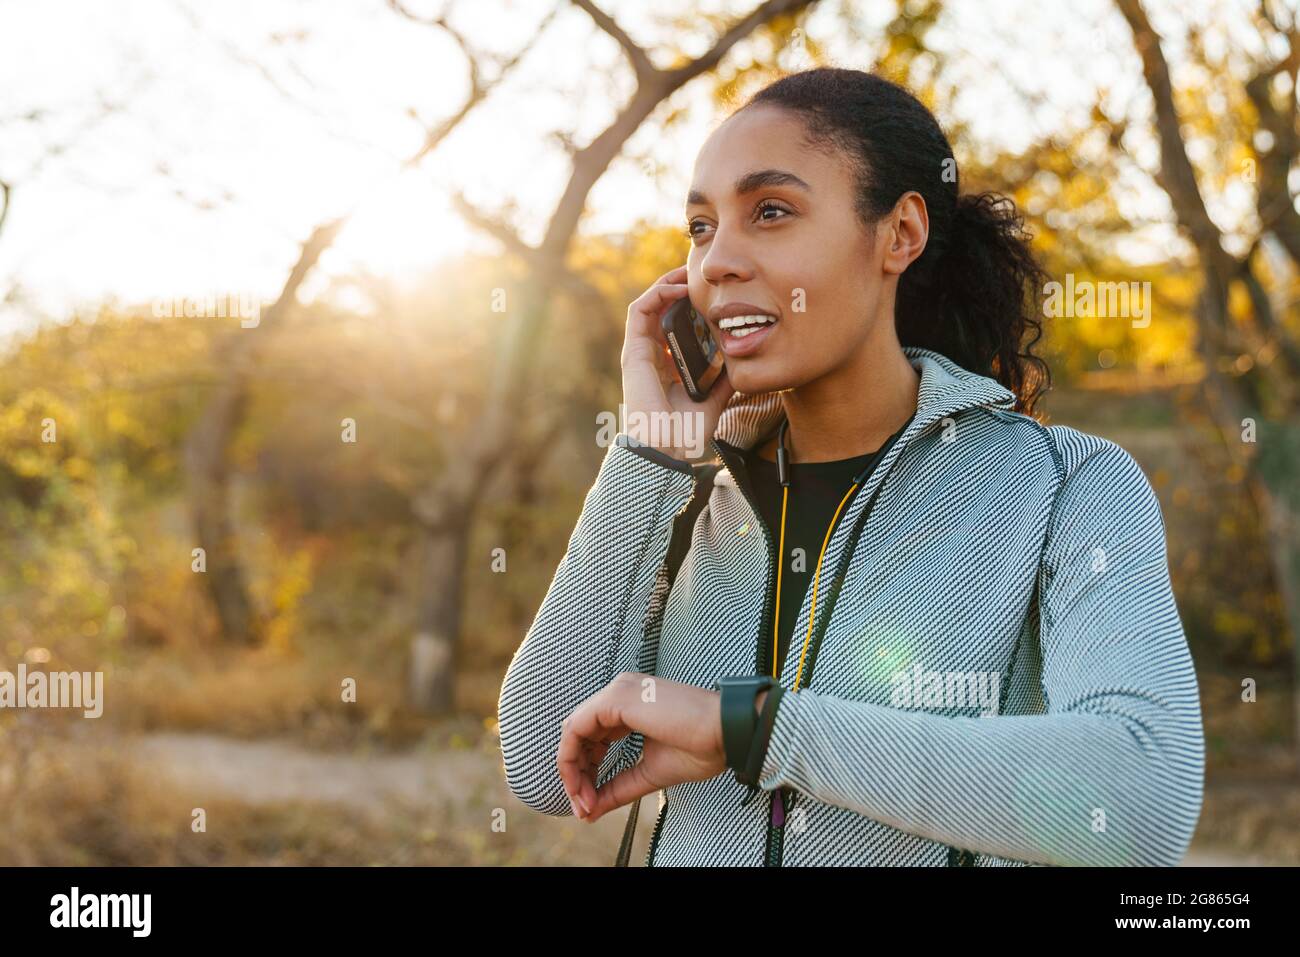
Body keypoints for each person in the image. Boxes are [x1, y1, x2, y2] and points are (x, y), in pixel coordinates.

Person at [497, 67, 1205, 866]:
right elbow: (543, 763)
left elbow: (1140, 799)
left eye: (770, 212)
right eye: (700, 227)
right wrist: (652, 449)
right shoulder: (690, 498)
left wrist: (755, 727)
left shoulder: (1067, 485)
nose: (718, 260)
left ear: (899, 234)